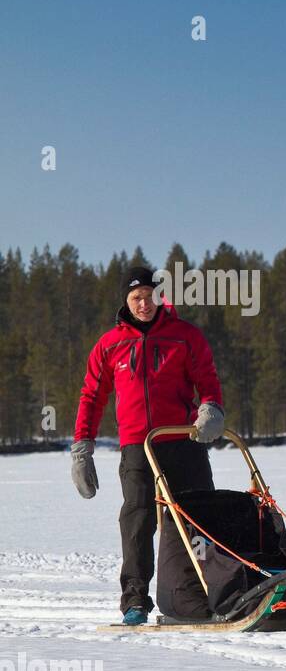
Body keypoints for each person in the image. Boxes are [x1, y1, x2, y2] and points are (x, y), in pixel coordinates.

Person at [71, 266, 226, 624]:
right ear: (126, 302)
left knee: (198, 518)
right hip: (138, 448)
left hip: (184, 441)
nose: (144, 304)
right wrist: (82, 447)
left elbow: (207, 377)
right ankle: (135, 600)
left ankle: (208, 591)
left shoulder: (185, 336)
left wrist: (212, 407)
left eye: (150, 296)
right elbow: (92, 397)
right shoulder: (110, 344)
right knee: (138, 520)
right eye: (136, 298)